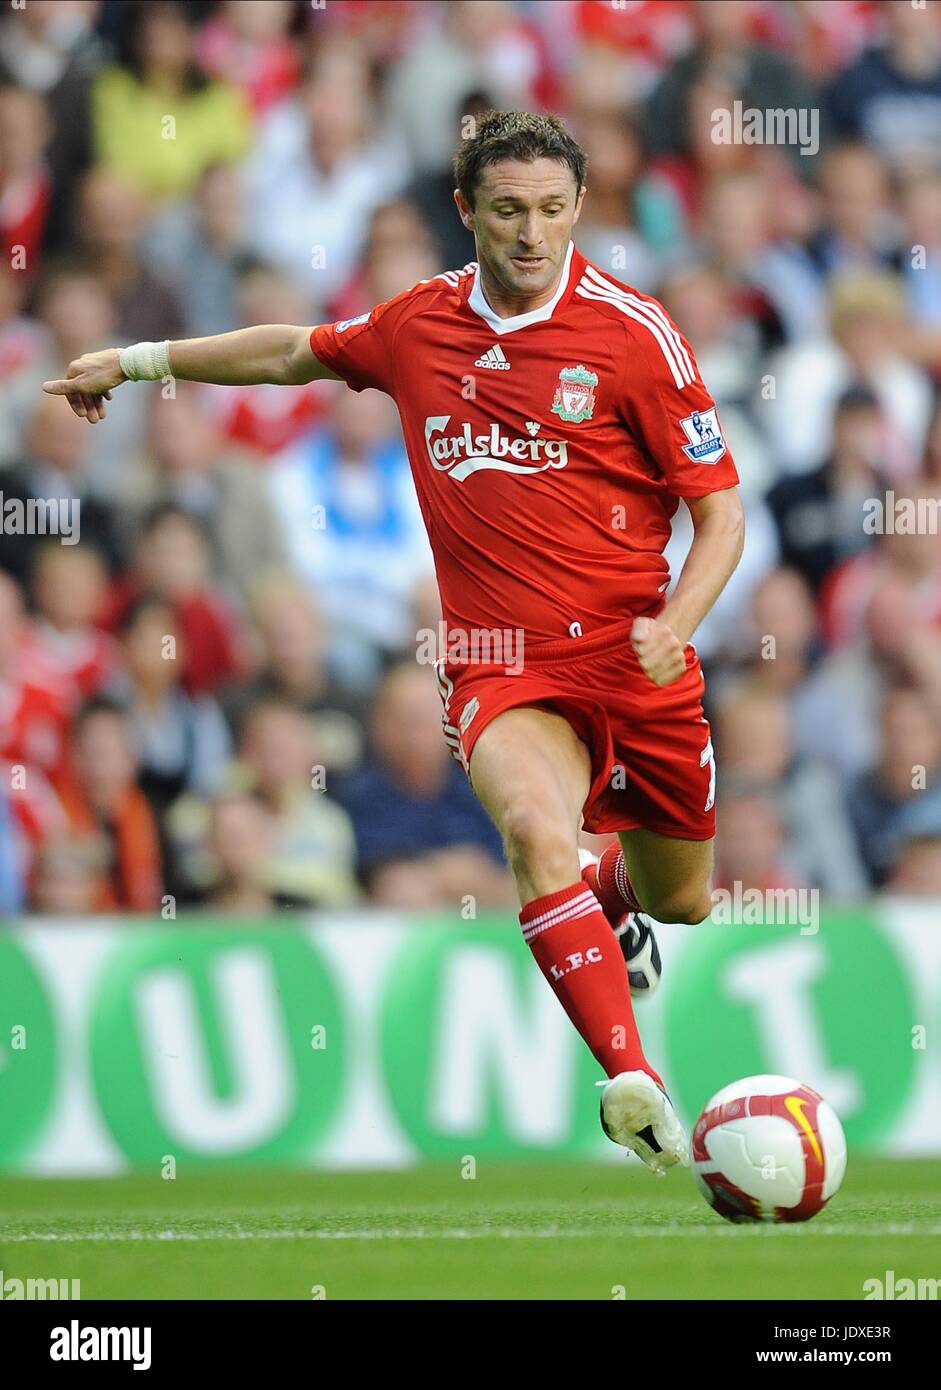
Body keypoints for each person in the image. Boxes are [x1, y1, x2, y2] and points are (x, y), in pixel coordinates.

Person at [42, 109, 746, 1177]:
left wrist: (675, 626)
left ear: (578, 210)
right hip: (500, 658)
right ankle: (628, 1078)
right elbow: (288, 351)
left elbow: (721, 514)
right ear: (464, 210)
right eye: (506, 210)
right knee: (527, 823)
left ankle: (610, 904)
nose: (530, 234)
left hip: (633, 657)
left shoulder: (634, 335)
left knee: (679, 896)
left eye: (552, 211)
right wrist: (135, 361)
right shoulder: (419, 324)